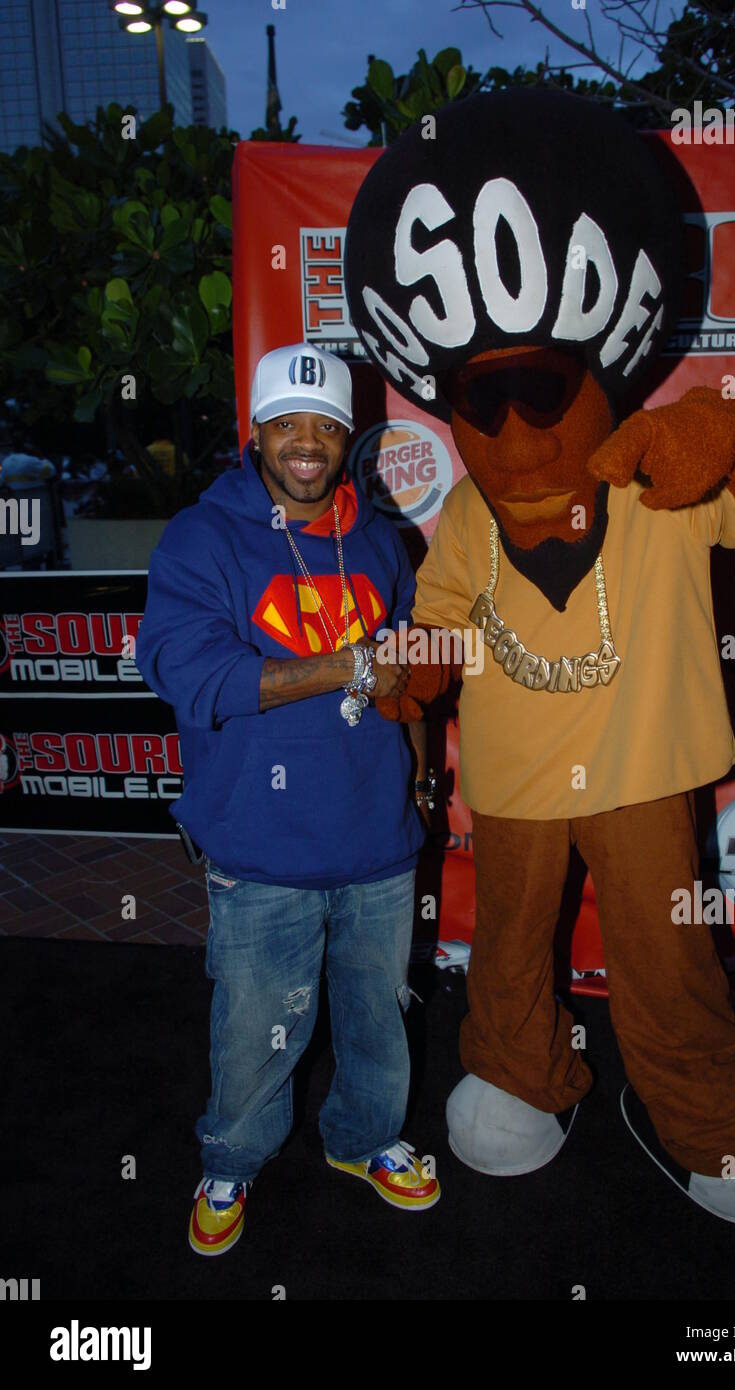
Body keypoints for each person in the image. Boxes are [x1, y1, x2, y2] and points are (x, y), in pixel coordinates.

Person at [135, 342, 438, 1258]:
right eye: (287, 424)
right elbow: (189, 673)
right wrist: (345, 666)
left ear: (347, 438)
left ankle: (364, 1138)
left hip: (377, 835)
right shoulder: (202, 537)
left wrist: (419, 776)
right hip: (260, 840)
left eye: (326, 427)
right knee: (256, 1030)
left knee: (378, 1015)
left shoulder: (380, 540)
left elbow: (406, 683)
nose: (307, 443)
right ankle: (231, 1160)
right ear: (256, 433)